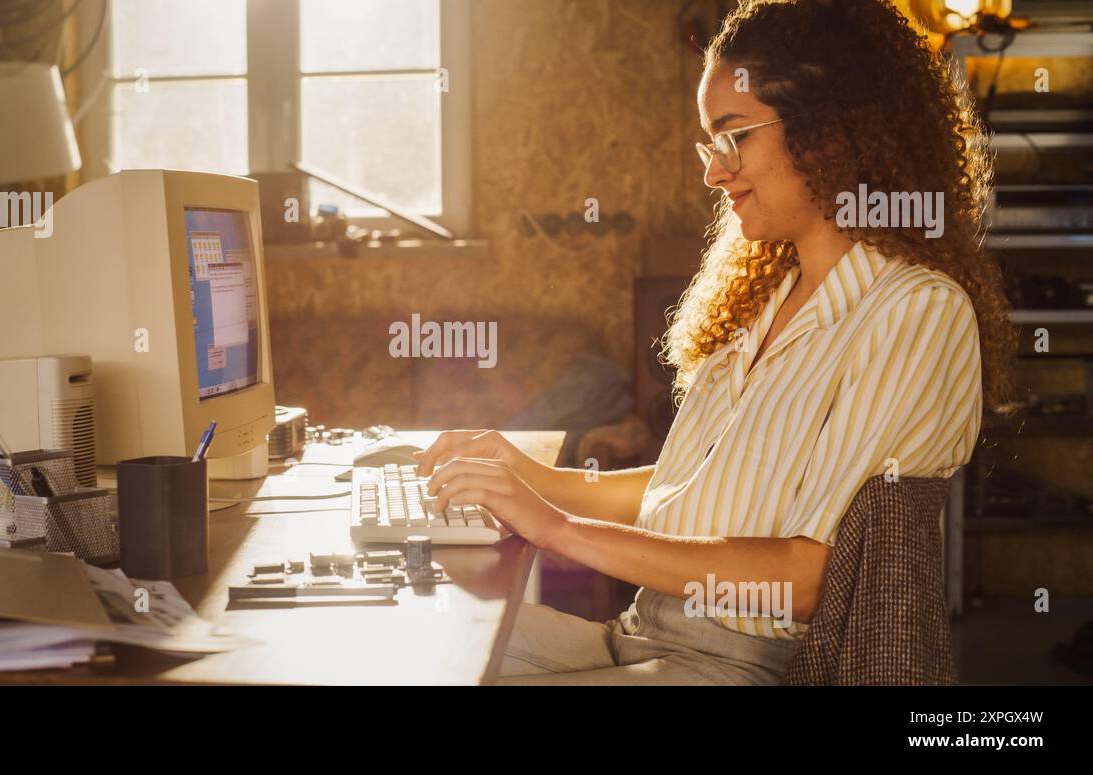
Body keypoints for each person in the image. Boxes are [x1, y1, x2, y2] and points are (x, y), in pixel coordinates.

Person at [414, 0, 1014, 685]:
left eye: (734, 136)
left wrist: (554, 527)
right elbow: (686, 491)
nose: (714, 171)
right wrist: (522, 475)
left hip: (738, 668)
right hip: (644, 638)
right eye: (711, 143)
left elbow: (802, 577)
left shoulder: (916, 314)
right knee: (412, 639)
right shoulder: (767, 296)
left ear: (830, 132)